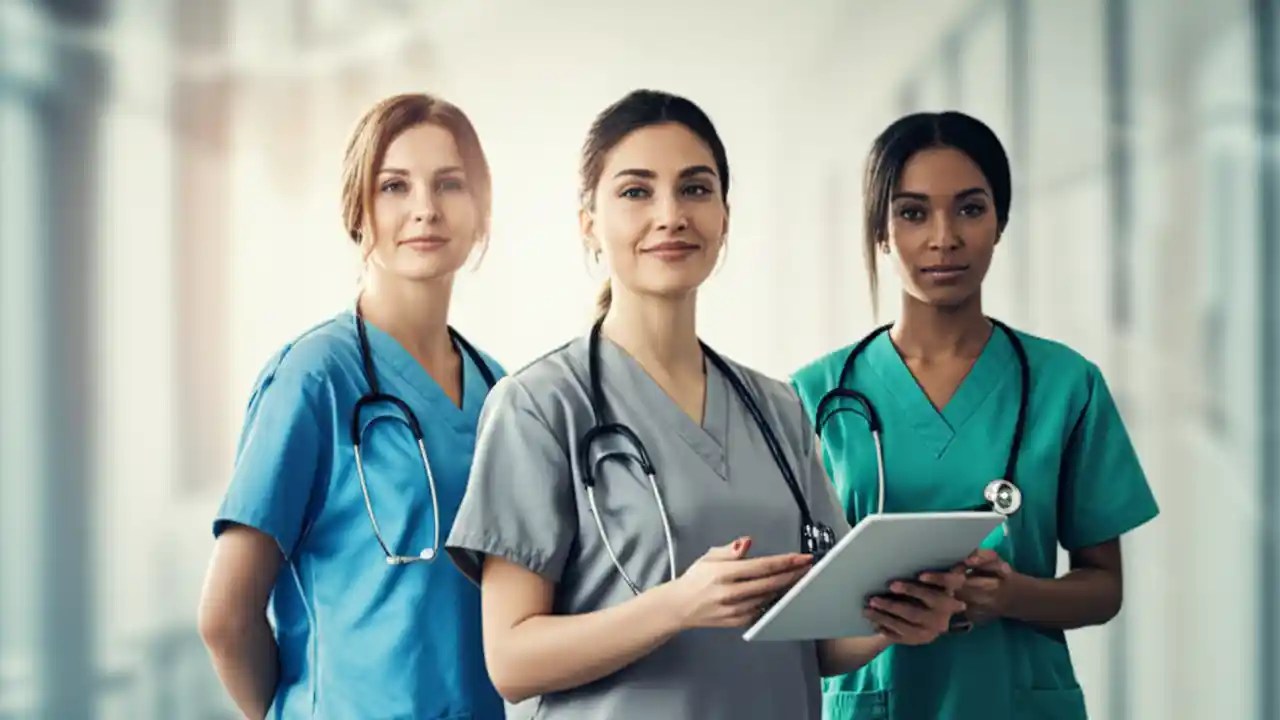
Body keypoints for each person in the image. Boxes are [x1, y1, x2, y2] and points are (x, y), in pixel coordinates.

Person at [444, 90, 966, 720]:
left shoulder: (777, 410)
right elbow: (511, 662)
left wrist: (898, 616)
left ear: (723, 214)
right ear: (588, 222)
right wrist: (679, 605)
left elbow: (822, 641)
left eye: (695, 189)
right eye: (637, 192)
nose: (671, 215)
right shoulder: (539, 406)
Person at [791, 110, 1160, 720]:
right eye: (912, 213)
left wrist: (1015, 596)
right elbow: (796, 606)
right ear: (881, 232)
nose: (944, 238)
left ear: (1000, 221)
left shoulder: (1066, 385)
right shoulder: (814, 395)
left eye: (969, 208)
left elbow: (1104, 588)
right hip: (876, 702)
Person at [197, 93, 506, 720]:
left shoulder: (498, 388)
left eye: (449, 184)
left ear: (480, 212)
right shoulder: (314, 379)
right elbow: (226, 619)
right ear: (357, 210)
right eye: (395, 186)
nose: (425, 208)